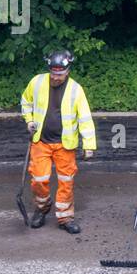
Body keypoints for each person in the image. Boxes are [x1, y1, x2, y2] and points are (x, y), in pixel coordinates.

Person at [20, 49, 96, 234]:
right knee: (38, 179)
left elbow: (84, 118)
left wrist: (89, 145)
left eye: (60, 74)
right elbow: (25, 101)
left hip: (65, 145)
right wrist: (29, 120)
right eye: (53, 73)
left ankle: (65, 217)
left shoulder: (76, 90)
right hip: (41, 142)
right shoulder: (37, 82)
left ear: (67, 70)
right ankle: (43, 207)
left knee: (66, 181)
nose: (56, 77)